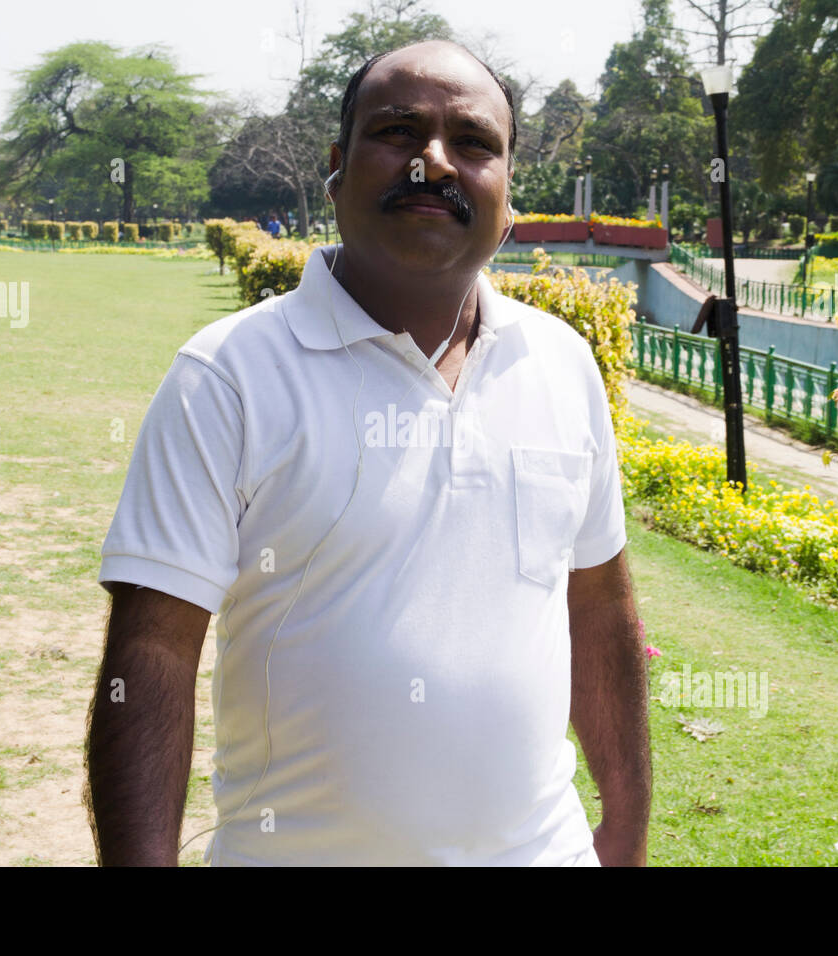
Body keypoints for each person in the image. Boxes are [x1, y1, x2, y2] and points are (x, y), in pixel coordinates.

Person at [87, 38, 651, 867]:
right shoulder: (230, 376)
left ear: (507, 191)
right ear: (337, 166)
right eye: (397, 131)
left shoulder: (561, 363)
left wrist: (627, 831)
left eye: (472, 143)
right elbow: (154, 653)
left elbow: (597, 610)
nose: (433, 162)